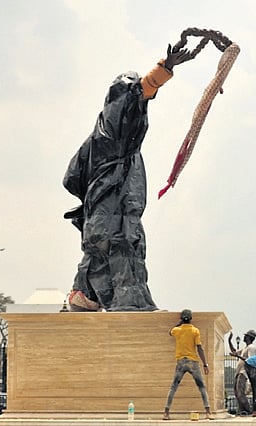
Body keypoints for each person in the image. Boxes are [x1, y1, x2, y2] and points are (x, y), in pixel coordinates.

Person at [62, 42, 194, 313]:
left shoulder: (108, 143)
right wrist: (163, 70)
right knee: (122, 251)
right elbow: (131, 101)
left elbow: (71, 176)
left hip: (105, 215)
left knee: (104, 253)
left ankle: (83, 294)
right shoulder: (111, 136)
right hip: (113, 215)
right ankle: (128, 305)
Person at [163, 309, 212, 420]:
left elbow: (170, 332)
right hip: (193, 362)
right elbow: (199, 348)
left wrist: (180, 323)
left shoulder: (177, 330)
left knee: (173, 387)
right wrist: (205, 364)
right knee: (202, 387)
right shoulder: (195, 331)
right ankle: (208, 412)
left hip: (181, 361)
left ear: (181, 318)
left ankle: (166, 412)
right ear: (191, 318)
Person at [228, 329, 256, 415]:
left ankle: (248, 410)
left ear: (249, 337)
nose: (244, 337)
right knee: (237, 393)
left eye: (246, 336)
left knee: (240, 392)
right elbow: (234, 351)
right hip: (238, 372)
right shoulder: (245, 348)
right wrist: (229, 341)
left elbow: (250, 360)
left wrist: (238, 356)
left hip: (243, 372)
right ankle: (242, 410)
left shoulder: (251, 348)